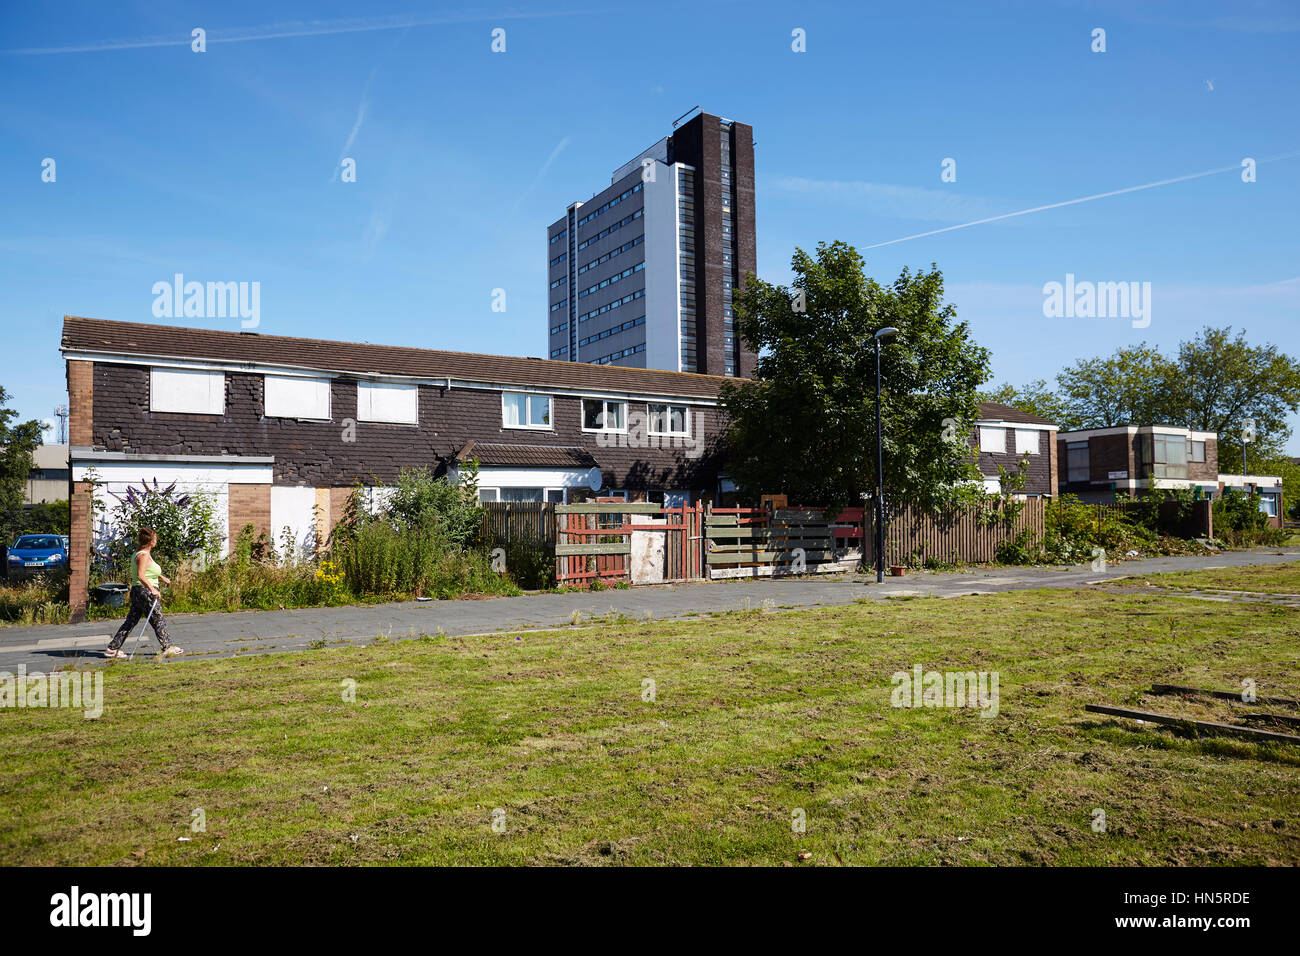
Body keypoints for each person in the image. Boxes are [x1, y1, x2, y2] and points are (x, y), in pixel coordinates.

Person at [106, 527, 183, 660]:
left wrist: (162, 577)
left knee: (131, 621)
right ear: (151, 542)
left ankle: (112, 649)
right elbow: (141, 575)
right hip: (145, 591)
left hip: (138, 591)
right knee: (158, 619)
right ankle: (167, 647)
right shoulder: (144, 555)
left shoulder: (140, 553)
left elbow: (148, 571)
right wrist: (153, 589)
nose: (156, 541)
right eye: (155, 539)